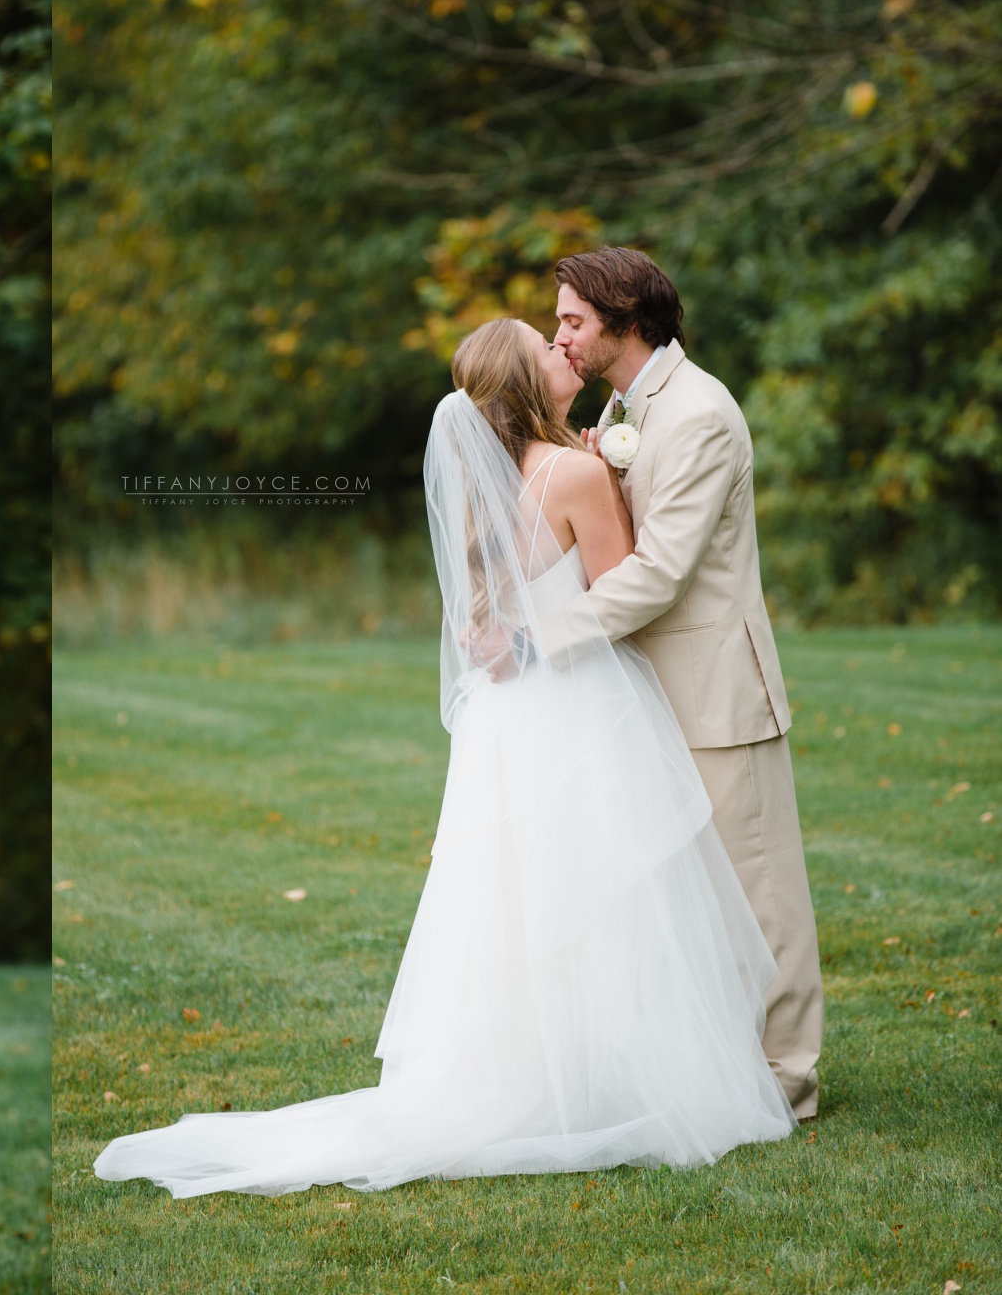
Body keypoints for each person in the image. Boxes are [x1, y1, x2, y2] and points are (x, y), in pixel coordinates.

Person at [93, 317, 794, 1198]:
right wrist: (612, 483)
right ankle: (617, 1078)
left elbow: (497, 609)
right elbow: (625, 594)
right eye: (546, 347)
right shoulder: (577, 474)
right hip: (577, 701)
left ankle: (539, 1076)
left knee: (521, 894)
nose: (563, 349)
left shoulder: (482, 486)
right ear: (528, 383)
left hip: (510, 714)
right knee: (601, 886)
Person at [555, 245, 822, 1119]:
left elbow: (663, 571)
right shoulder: (624, 407)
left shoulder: (700, 412)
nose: (562, 337)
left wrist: (542, 636)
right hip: (649, 692)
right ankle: (711, 1069)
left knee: (758, 893)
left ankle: (785, 1078)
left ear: (625, 319)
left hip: (716, 692)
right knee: (684, 898)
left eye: (573, 321)